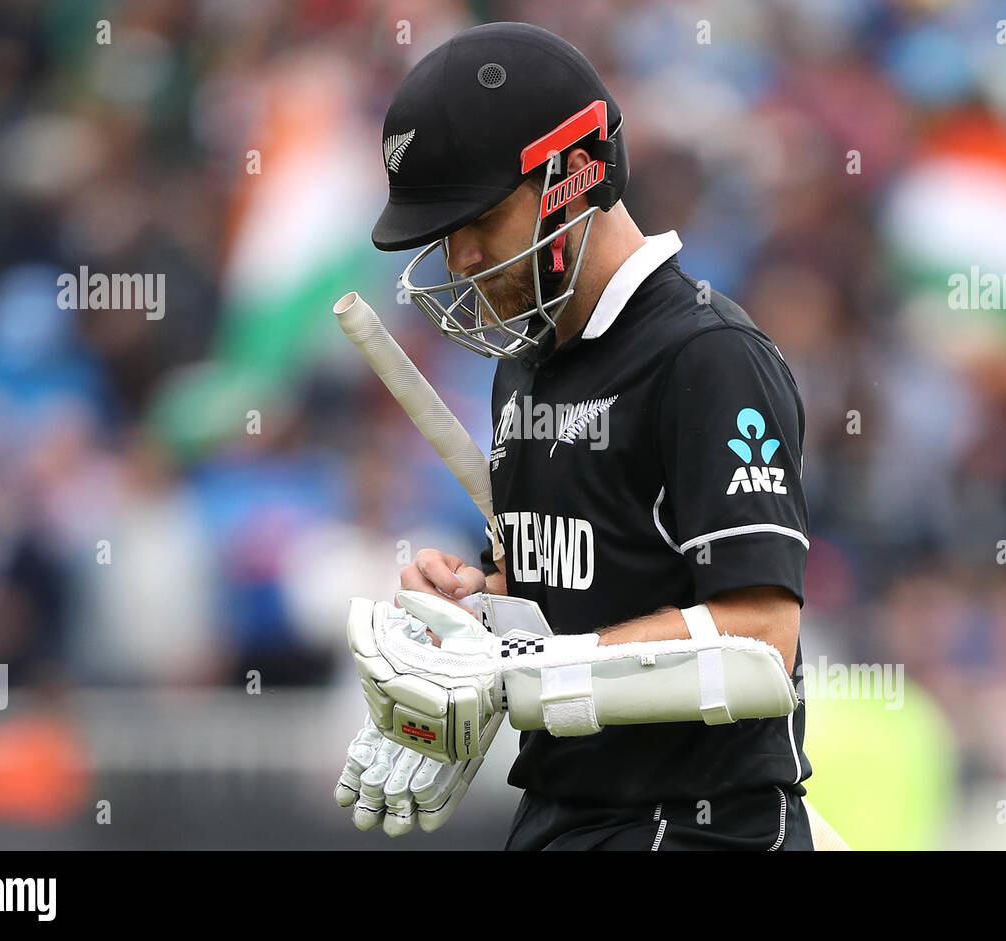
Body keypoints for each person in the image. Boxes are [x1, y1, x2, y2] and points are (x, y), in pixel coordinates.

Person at [336, 21, 814, 851]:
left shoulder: (708, 358)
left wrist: (523, 678)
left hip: (698, 827)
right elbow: (575, 591)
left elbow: (760, 639)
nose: (461, 257)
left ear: (572, 175)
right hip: (563, 812)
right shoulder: (523, 365)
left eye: (479, 217)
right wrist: (474, 612)